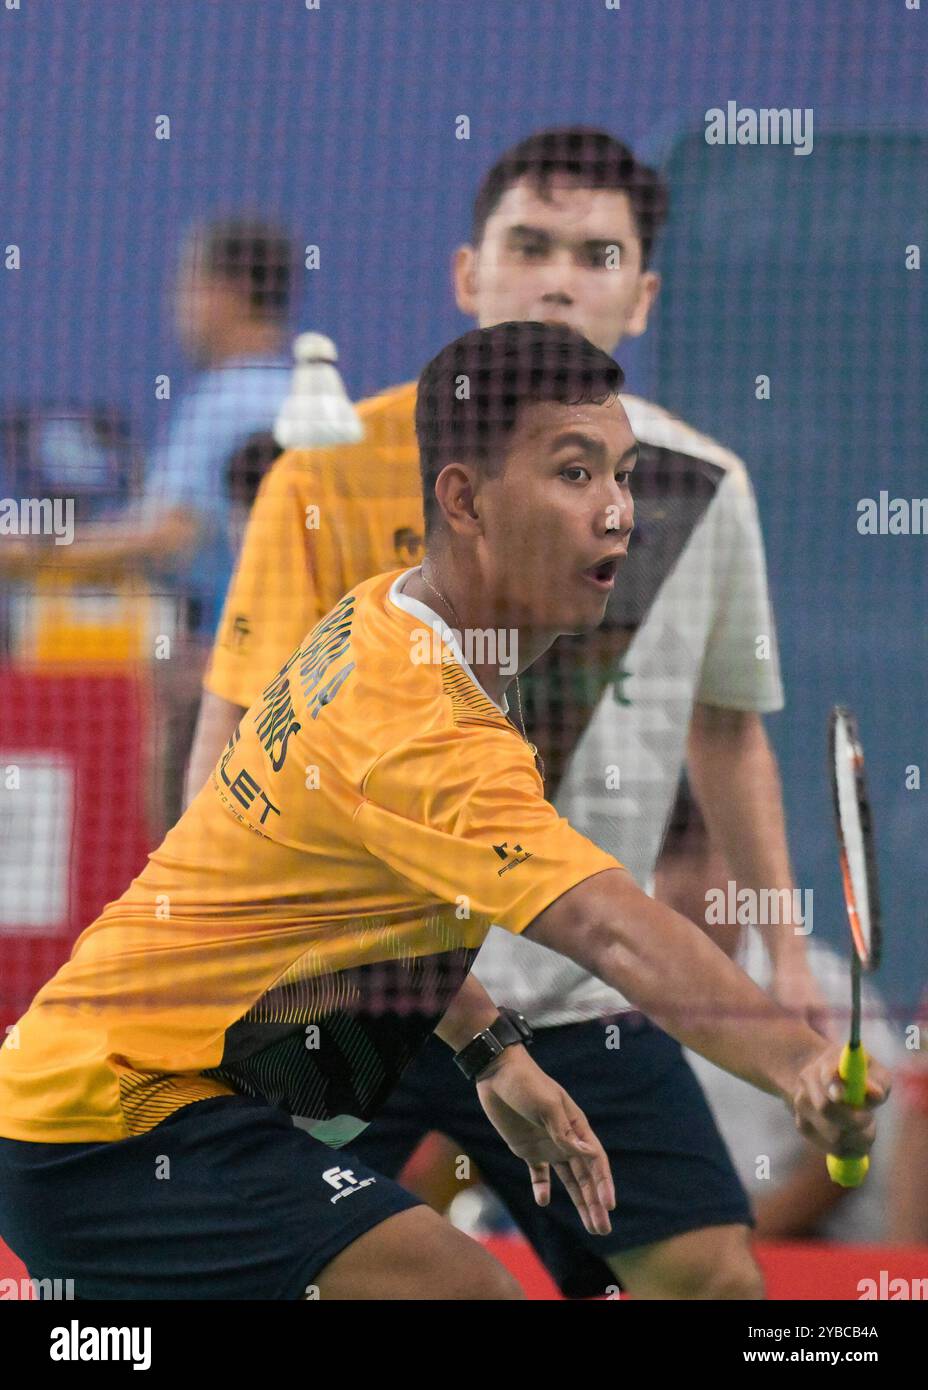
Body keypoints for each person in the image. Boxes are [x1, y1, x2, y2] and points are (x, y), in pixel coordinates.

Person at [0, 322, 886, 1302]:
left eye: (623, 475)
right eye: (575, 474)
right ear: (464, 499)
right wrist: (799, 1061)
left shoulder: (386, 615)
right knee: (460, 1292)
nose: (619, 514)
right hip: (120, 1125)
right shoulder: (425, 718)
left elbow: (381, 896)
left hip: (131, 1109)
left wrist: (490, 1048)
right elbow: (609, 926)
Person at [186, 129, 824, 1299]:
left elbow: (727, 729)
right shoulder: (328, 468)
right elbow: (232, 729)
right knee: (266, 1279)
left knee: (712, 1281)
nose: (559, 277)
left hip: (577, 993)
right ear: (467, 276)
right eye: (528, 245)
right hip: (354, 981)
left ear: (641, 296)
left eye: (597, 254)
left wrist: (784, 946)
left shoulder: (701, 489)